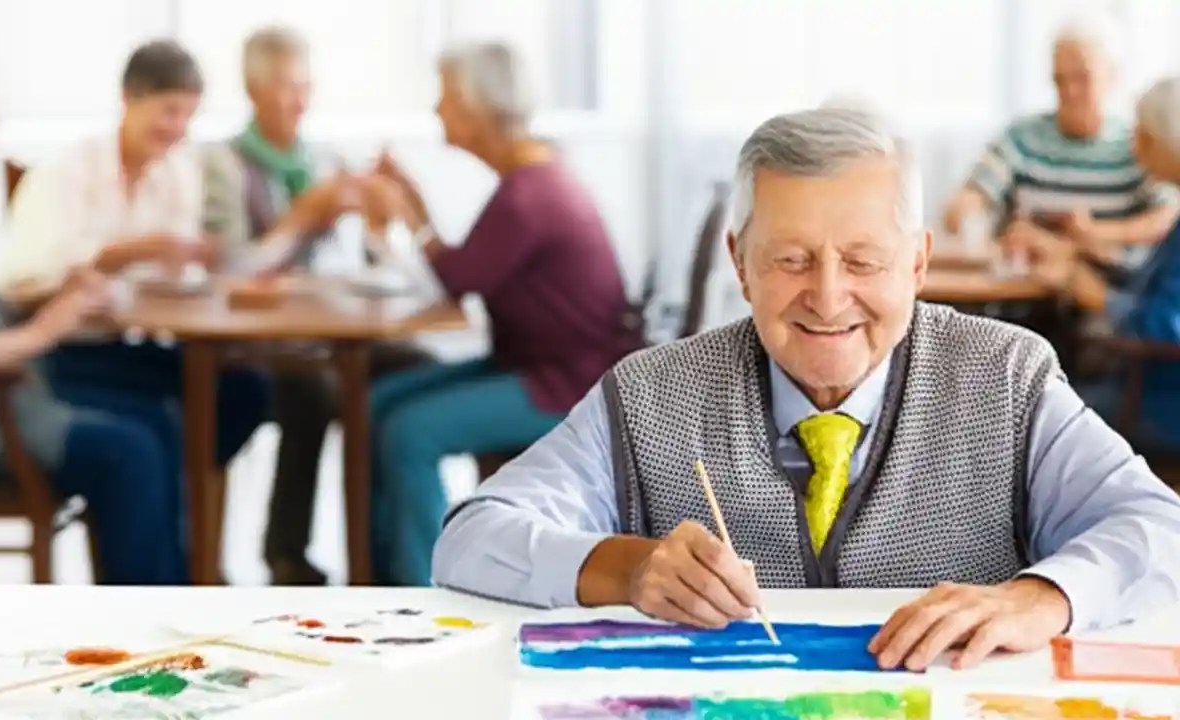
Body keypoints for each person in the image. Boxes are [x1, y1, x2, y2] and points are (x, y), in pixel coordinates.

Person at [433, 107, 1180, 672]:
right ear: (740, 262)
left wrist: (1040, 598)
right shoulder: (650, 393)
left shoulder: (1006, 377)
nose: (826, 298)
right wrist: (624, 567)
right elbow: (470, 539)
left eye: (862, 261)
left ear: (917, 264)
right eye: (790, 259)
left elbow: (1158, 528)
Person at [353, 43, 640, 586]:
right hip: (528, 363)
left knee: (407, 432)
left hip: (563, 384)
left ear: (475, 107)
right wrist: (412, 202)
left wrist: (407, 215)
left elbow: (456, 281)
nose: (437, 111)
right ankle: (381, 575)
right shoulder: (533, 176)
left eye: (445, 98)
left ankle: (424, 585)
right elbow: (463, 267)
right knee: (375, 404)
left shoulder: (529, 194)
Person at [0, 49, 187, 584]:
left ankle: (177, 589)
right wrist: (42, 331)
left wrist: (58, 295)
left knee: (152, 422)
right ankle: (148, 614)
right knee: (132, 452)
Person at [201, 27, 429, 585]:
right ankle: (287, 555)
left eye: (305, 86)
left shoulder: (325, 159)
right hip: (256, 344)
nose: (298, 100)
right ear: (253, 89)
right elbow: (229, 270)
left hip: (332, 332)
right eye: (284, 87)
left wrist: (387, 216)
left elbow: (366, 263)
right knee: (311, 391)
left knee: (414, 370)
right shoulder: (223, 166)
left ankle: (387, 554)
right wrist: (305, 213)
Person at [0, 40, 268, 486]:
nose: (178, 128)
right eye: (168, 111)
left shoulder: (177, 171)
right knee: (163, 420)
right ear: (128, 101)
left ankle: (180, 505)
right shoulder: (66, 172)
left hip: (133, 341)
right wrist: (130, 252)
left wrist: (196, 263)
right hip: (65, 350)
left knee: (244, 389)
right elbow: (23, 281)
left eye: (187, 115)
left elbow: (177, 282)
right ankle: (167, 517)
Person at [942, 19, 1178, 285]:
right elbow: (965, 203)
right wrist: (984, 228)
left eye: (1083, 78)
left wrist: (1091, 233)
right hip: (1025, 289)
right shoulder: (1022, 138)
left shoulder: (1137, 145)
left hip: (1106, 291)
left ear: (1112, 76)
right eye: (1060, 79)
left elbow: (1167, 219)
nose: (1070, 92)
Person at [1033, 78, 1180, 446]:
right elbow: (1161, 288)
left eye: (1143, 134)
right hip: (1144, 389)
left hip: (1158, 406)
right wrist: (1094, 262)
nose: (1135, 144)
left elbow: (1167, 325)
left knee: (1031, 410)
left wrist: (1098, 296)